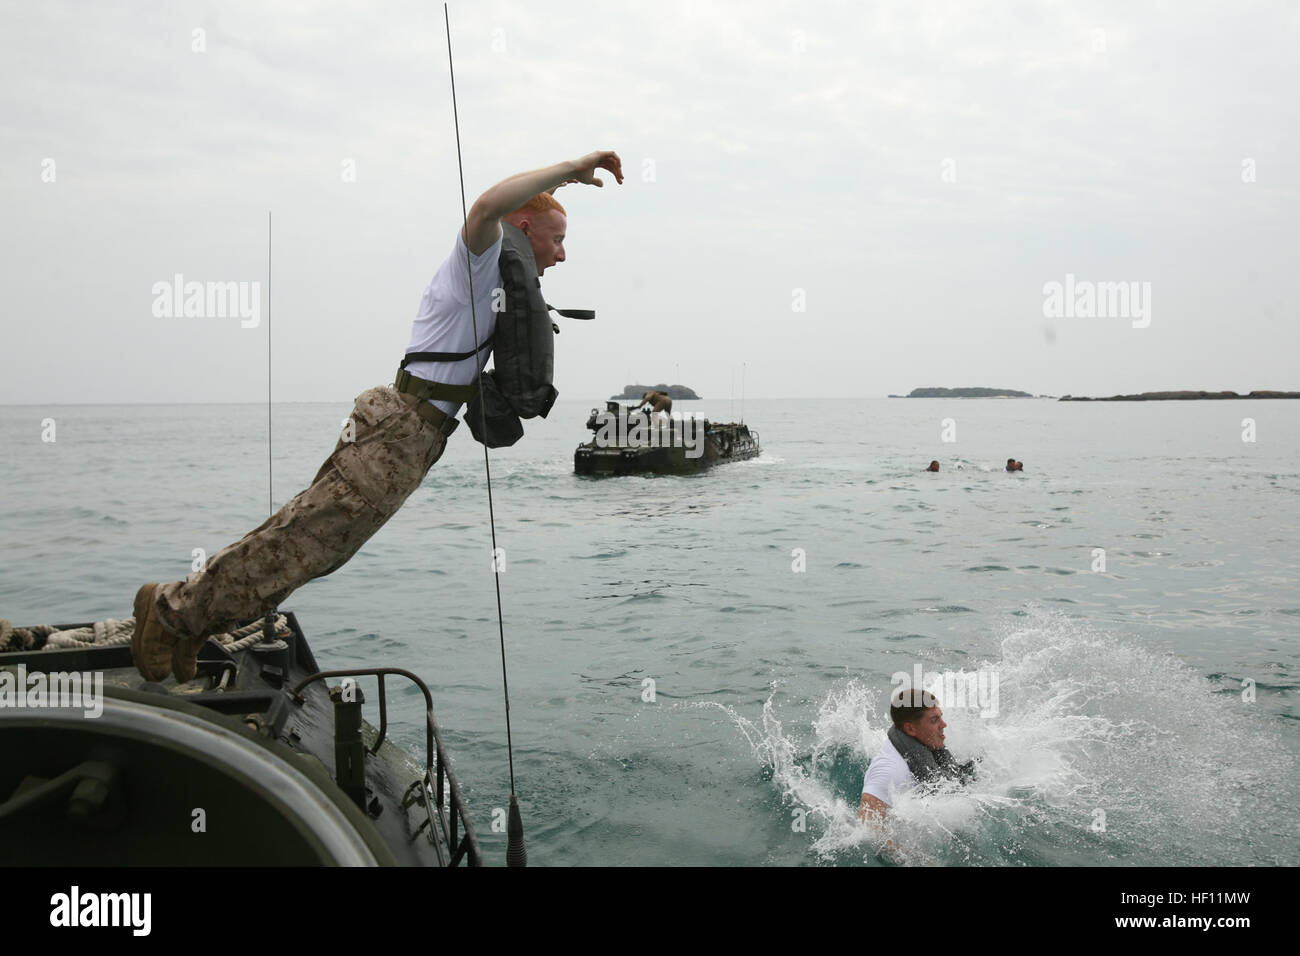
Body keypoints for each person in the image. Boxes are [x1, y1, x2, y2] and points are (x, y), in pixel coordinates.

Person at [131, 150, 624, 682]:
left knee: (312, 546)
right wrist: (570, 170)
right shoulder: (480, 262)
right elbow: (484, 207)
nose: (562, 254)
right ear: (525, 226)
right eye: (558, 239)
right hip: (398, 427)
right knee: (301, 542)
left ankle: (197, 620)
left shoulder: (499, 278)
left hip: (411, 434)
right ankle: (169, 611)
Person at [858, 686, 975, 825]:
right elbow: (868, 829)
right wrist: (901, 848)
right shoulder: (889, 771)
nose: (944, 724)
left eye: (940, 717)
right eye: (934, 720)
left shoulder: (928, 745)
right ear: (910, 729)